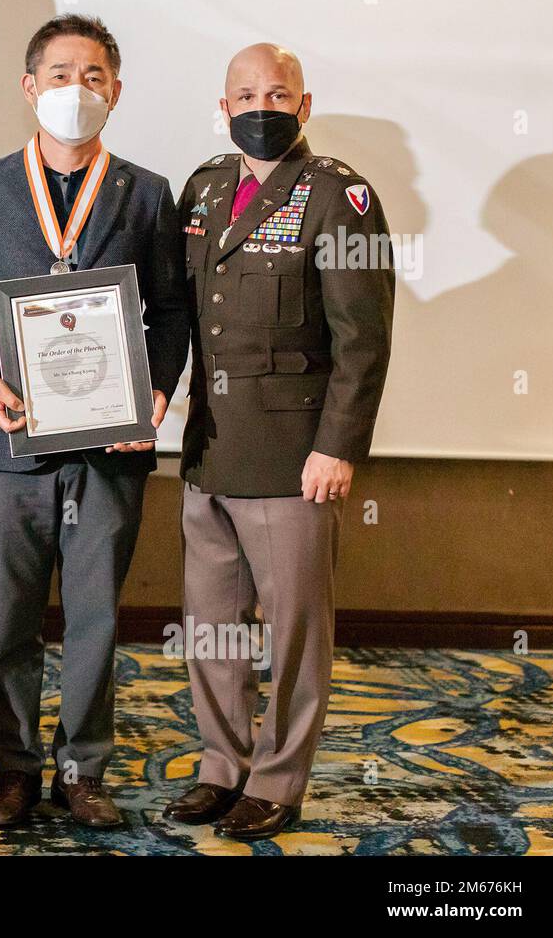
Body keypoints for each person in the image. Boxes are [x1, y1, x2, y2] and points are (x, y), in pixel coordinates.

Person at [0, 15, 189, 828]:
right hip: (13, 445)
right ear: (29, 87)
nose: (75, 90)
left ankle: (83, 768)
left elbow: (171, 313)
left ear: (115, 91)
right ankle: (13, 768)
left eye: (93, 76)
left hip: (111, 444)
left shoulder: (149, 192)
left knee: (94, 614)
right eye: (59, 74)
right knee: (10, 616)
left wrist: (154, 395)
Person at [164, 43, 395, 841]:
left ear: (305, 102)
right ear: (221, 106)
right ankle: (222, 766)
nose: (260, 105)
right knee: (213, 629)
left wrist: (339, 446)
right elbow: (183, 318)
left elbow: (362, 339)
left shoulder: (340, 195)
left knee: (295, 632)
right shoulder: (202, 190)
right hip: (209, 449)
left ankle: (278, 778)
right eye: (245, 93)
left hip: (295, 459)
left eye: (278, 92)